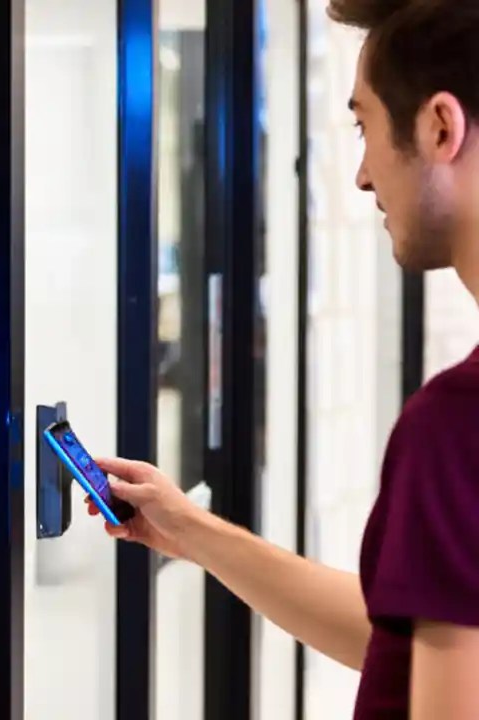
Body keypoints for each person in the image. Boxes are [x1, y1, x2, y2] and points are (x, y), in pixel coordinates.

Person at [91, 2, 479, 718]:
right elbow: (401, 640)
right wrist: (191, 531)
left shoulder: (456, 426)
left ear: (439, 128)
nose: (362, 176)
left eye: (364, 127)